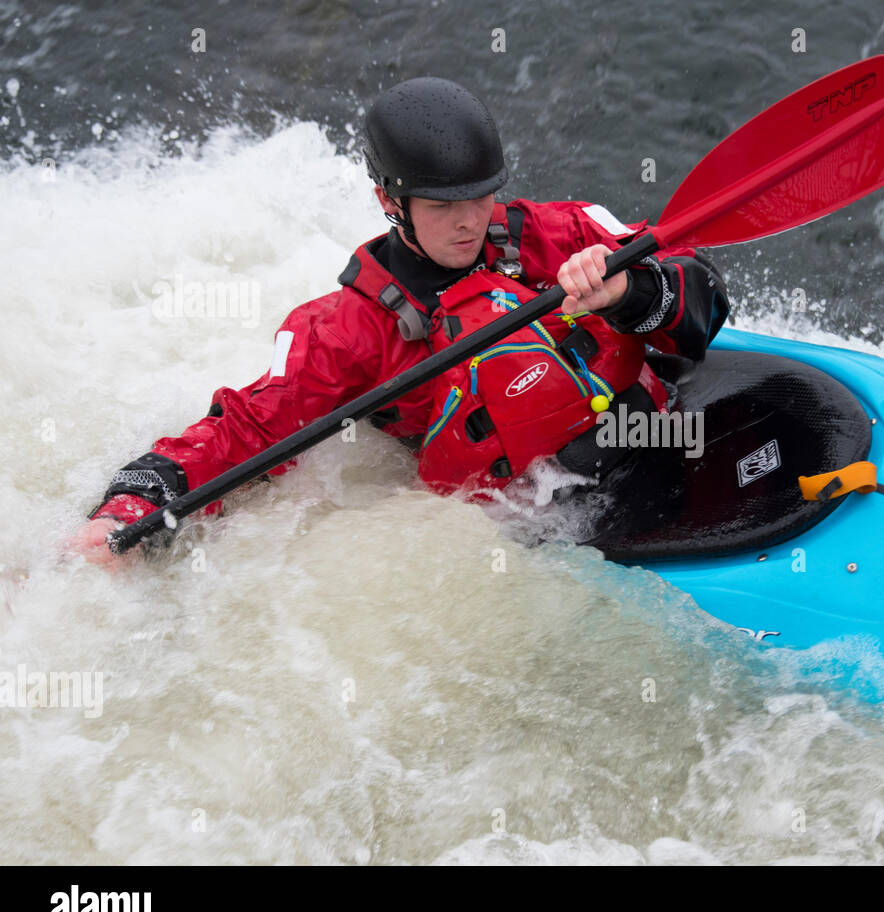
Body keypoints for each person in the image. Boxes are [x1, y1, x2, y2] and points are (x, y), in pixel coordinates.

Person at [70, 77, 730, 564]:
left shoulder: (547, 235)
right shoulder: (345, 331)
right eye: (444, 205)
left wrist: (632, 291)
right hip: (538, 521)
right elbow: (245, 429)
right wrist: (128, 506)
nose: (470, 219)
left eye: (480, 195)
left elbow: (702, 298)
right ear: (390, 200)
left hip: (657, 430)